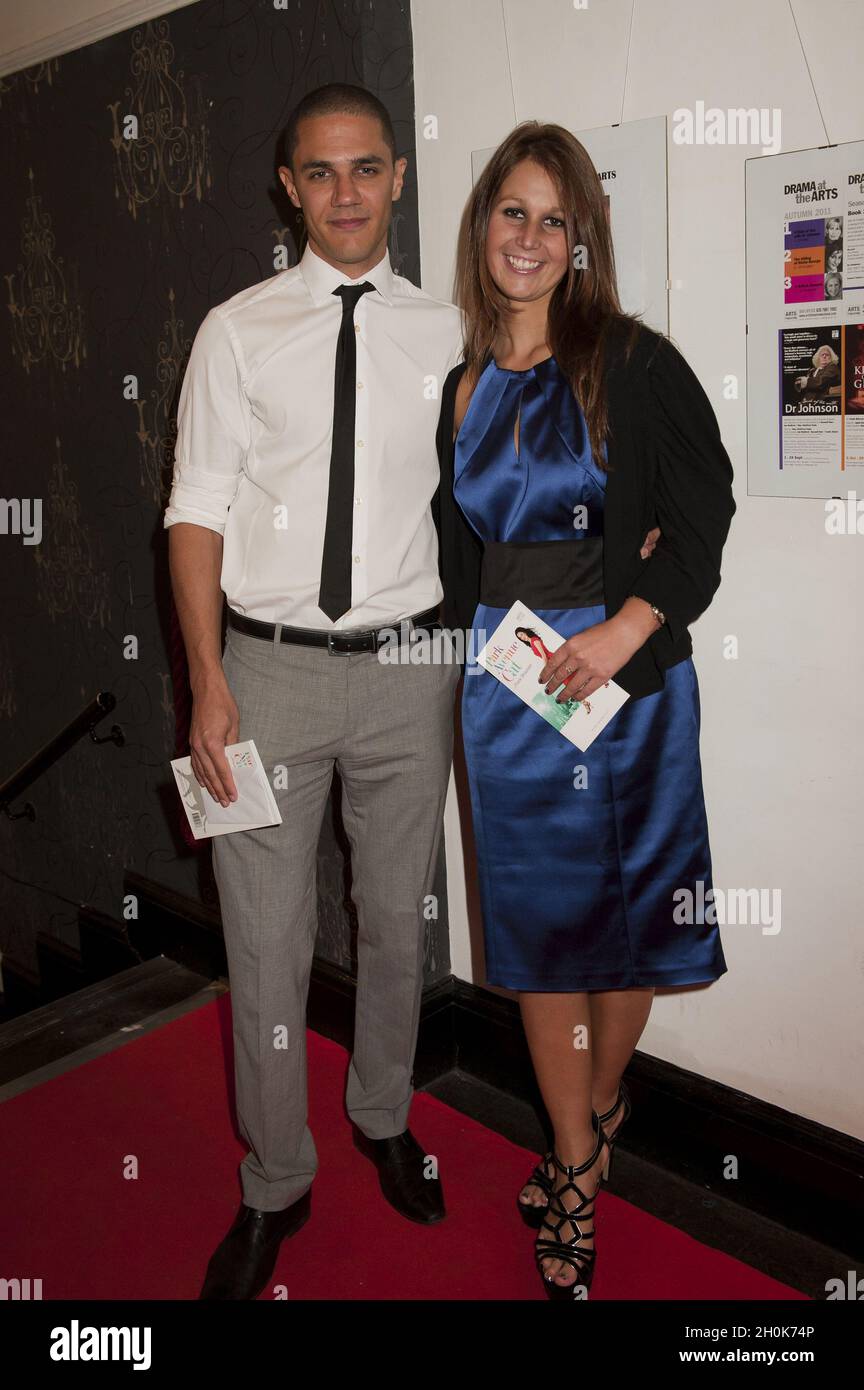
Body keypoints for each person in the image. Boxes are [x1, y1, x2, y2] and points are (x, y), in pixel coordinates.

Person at [165, 83, 463, 1300]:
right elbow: (196, 512)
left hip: (410, 671)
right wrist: (206, 681)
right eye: (321, 172)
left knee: (398, 924)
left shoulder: (448, 329)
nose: (346, 192)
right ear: (289, 186)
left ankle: (382, 1114)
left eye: (367, 169)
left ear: (397, 177)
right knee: (267, 942)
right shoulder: (236, 331)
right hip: (266, 675)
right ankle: (276, 1177)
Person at [434, 121, 736, 1298]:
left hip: (629, 685)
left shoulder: (632, 360)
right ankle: (573, 1158)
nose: (531, 236)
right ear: (483, 227)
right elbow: (461, 555)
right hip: (510, 693)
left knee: (639, 927)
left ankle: (600, 1102)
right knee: (544, 938)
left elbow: (702, 514)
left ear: (581, 243)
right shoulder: (457, 383)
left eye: (556, 219)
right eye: (514, 211)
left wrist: (627, 625)